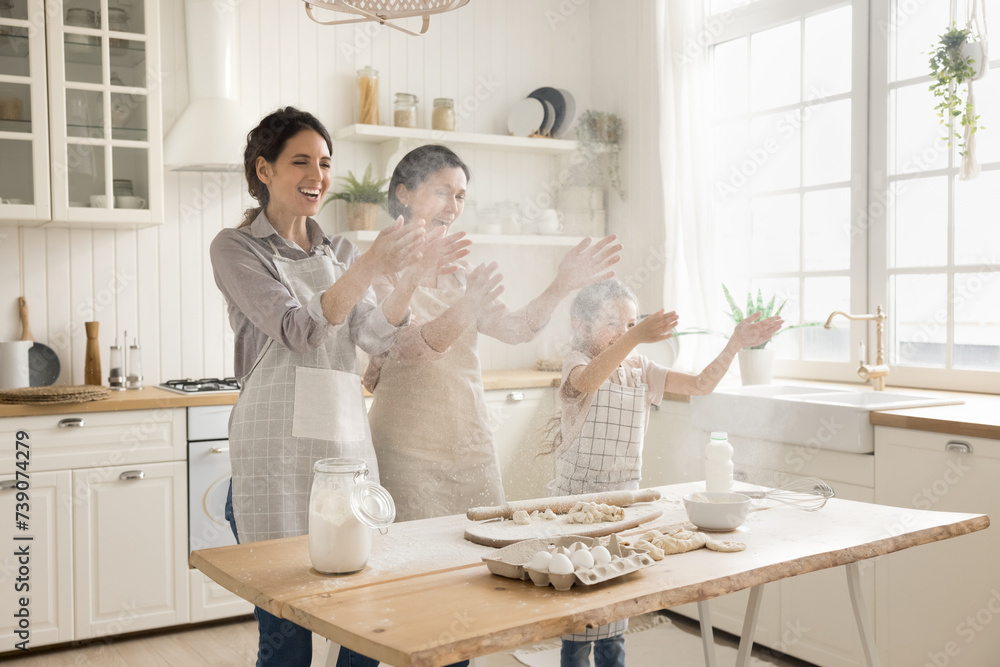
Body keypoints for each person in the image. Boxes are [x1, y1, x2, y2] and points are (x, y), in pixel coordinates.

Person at [210, 107, 468, 667]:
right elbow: (298, 331)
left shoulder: (342, 253)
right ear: (264, 168)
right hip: (274, 456)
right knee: (285, 641)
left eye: (325, 163)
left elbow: (375, 336)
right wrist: (372, 264)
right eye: (300, 161)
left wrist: (407, 280)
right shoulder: (236, 249)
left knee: (365, 621)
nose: (318, 175)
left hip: (343, 454)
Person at [364, 144, 623, 523]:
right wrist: (467, 307)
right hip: (406, 449)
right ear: (403, 193)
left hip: (472, 446)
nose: (453, 206)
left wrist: (560, 285)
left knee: (480, 559)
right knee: (414, 565)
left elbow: (518, 329)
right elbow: (410, 346)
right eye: (441, 192)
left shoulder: (462, 275)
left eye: (460, 196)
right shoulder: (381, 270)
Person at [543, 278, 782, 667]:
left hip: (624, 505)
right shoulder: (578, 362)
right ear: (581, 326)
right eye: (613, 324)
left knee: (615, 612)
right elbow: (587, 382)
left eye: (632, 323)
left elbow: (701, 385)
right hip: (578, 507)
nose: (624, 332)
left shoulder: (641, 369)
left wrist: (735, 343)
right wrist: (635, 336)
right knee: (581, 614)